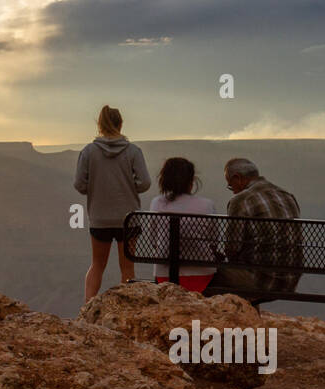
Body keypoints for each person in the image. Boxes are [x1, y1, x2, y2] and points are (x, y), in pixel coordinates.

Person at [74, 105, 151, 301]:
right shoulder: (133, 151)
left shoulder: (89, 152)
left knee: (97, 265)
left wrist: (95, 188)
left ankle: (88, 308)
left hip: (100, 217)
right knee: (127, 267)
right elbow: (145, 182)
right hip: (129, 218)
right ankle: (126, 309)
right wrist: (128, 186)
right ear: (121, 124)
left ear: (99, 125)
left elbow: (79, 184)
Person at [210, 158, 302, 302]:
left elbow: (232, 250)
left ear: (237, 178)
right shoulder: (286, 195)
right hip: (290, 280)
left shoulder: (241, 200)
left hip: (262, 282)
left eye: (230, 186)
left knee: (206, 274)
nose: (232, 191)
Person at [147, 157, 217, 293]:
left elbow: (153, 241)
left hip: (164, 275)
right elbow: (213, 241)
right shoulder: (207, 205)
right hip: (202, 276)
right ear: (191, 181)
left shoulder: (157, 203)